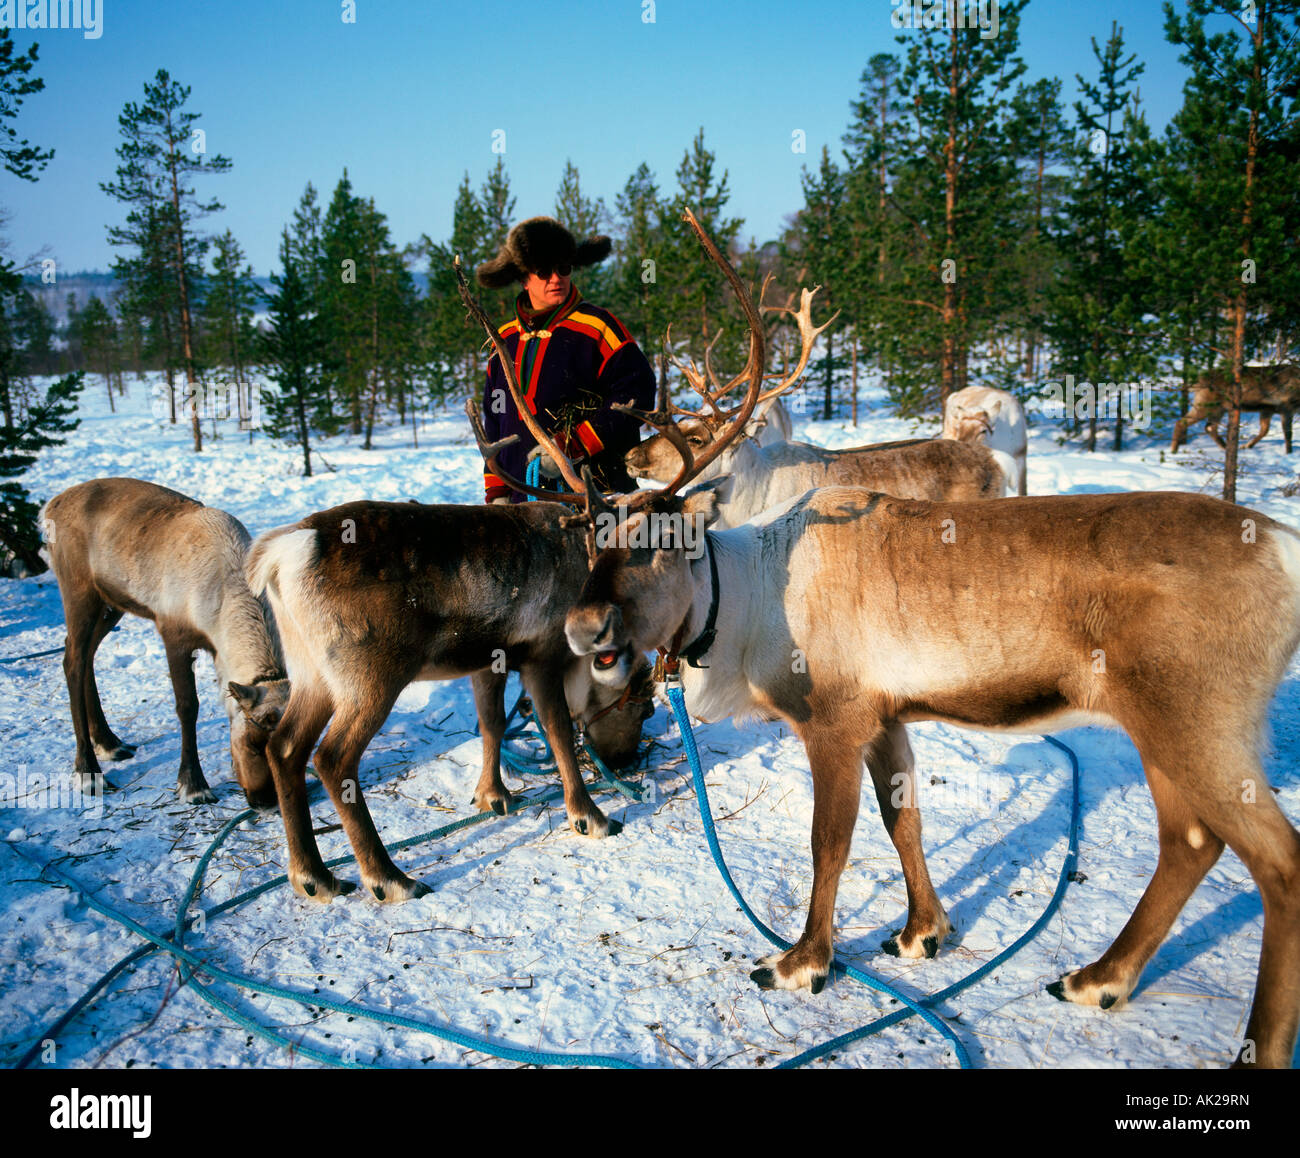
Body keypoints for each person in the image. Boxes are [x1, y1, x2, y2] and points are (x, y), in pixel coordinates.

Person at [476, 216, 656, 503]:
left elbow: (637, 393)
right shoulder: (504, 340)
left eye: (563, 268)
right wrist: (497, 489)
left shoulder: (598, 327)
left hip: (593, 496)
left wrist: (571, 447)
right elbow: (496, 418)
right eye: (544, 271)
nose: (556, 278)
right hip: (520, 503)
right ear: (523, 278)